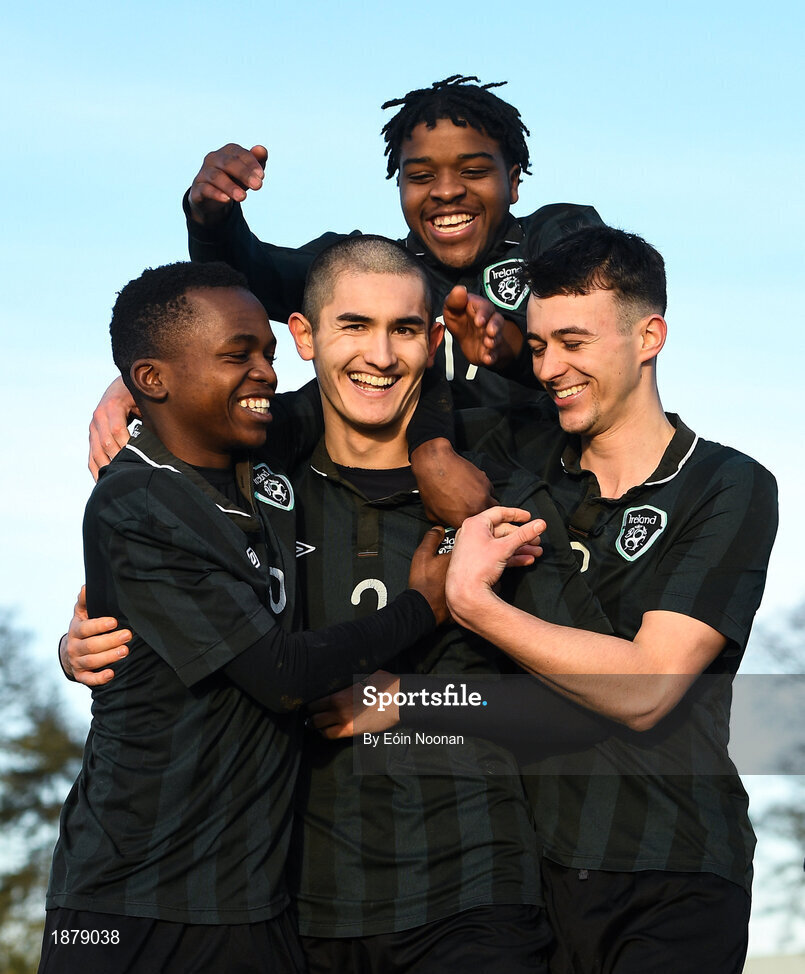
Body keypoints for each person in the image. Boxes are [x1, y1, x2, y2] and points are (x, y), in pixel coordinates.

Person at [63, 237, 615, 973]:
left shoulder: (500, 498)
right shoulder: (254, 477)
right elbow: (177, 591)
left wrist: (420, 702)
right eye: (353, 326)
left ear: (433, 342)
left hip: (469, 901)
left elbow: (606, 706)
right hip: (289, 910)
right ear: (306, 337)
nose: (381, 356)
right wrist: (85, 643)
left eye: (406, 331)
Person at [40, 260, 452, 974]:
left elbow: (383, 366)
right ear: (154, 379)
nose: (266, 372)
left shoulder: (264, 472)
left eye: (266, 352)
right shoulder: (135, 500)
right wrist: (424, 606)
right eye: (240, 355)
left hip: (253, 906)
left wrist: (438, 442)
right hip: (125, 906)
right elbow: (281, 675)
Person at [412, 226, 778, 973]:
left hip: (673, 871)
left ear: (649, 336)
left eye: (572, 342)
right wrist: (135, 389)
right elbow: (347, 410)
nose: (548, 367)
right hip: (525, 875)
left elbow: (647, 686)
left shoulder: (727, 485)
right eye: (539, 344)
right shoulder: (513, 462)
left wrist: (479, 605)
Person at [88, 75, 603, 476]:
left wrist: (512, 351)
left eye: (472, 171)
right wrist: (212, 217)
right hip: (400, 505)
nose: (446, 191)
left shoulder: (554, 234)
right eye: (421, 176)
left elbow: (593, 320)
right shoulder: (372, 271)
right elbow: (252, 277)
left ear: (513, 182)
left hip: (551, 482)